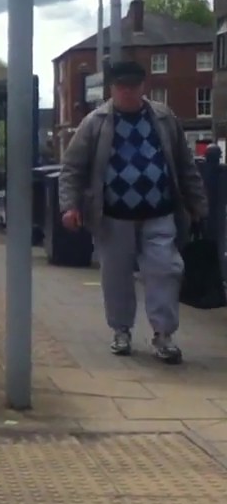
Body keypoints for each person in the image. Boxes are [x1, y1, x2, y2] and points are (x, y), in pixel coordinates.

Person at [58, 60, 208, 363]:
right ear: (112, 89)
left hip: (159, 211)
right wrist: (70, 206)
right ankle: (121, 330)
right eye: (121, 86)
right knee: (116, 277)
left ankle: (163, 334)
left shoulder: (164, 118)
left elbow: (184, 165)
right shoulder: (95, 123)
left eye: (133, 86)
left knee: (165, 270)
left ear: (143, 87)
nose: (127, 92)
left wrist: (197, 204)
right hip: (114, 215)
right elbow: (73, 168)